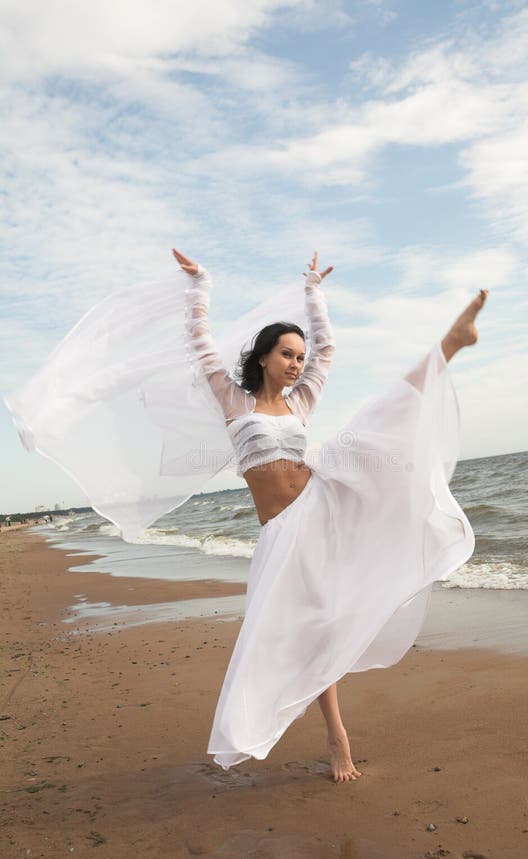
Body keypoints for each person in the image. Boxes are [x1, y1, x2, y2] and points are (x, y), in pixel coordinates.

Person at [172, 247, 487, 783]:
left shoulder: (301, 402)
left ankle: (450, 343)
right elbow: (200, 342)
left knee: (378, 417)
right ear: (265, 357)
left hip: (323, 502)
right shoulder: (234, 401)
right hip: (282, 531)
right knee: (310, 628)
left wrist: (313, 289)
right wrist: (201, 284)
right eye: (288, 354)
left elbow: (329, 348)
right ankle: (337, 735)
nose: (297, 363)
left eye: (300, 355)